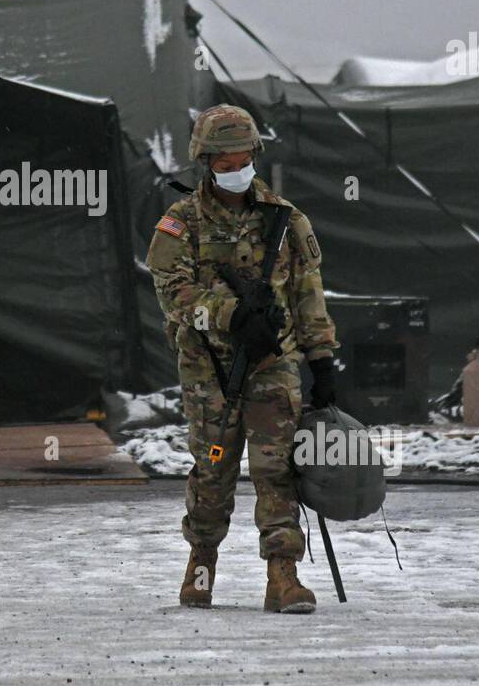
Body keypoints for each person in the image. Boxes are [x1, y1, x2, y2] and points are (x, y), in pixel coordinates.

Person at [145, 104, 339, 613]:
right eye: (223, 165)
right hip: (209, 372)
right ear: (205, 164)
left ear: (255, 155)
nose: (235, 173)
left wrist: (322, 362)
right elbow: (173, 292)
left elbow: (307, 296)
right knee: (213, 467)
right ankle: (201, 563)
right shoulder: (180, 224)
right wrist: (230, 315)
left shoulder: (285, 220)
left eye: (242, 161)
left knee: (277, 469)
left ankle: (283, 575)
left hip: (272, 365)